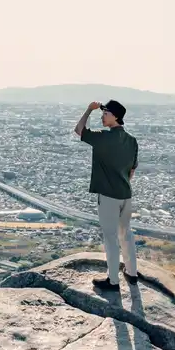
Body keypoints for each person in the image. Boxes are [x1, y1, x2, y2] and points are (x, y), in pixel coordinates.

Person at [74, 99, 139, 292]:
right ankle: (132, 273)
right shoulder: (132, 141)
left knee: (111, 238)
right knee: (126, 234)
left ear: (116, 116)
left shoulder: (103, 138)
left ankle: (113, 281)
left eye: (105, 114)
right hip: (125, 194)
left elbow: (79, 130)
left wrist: (88, 110)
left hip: (109, 196)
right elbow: (131, 172)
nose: (102, 117)